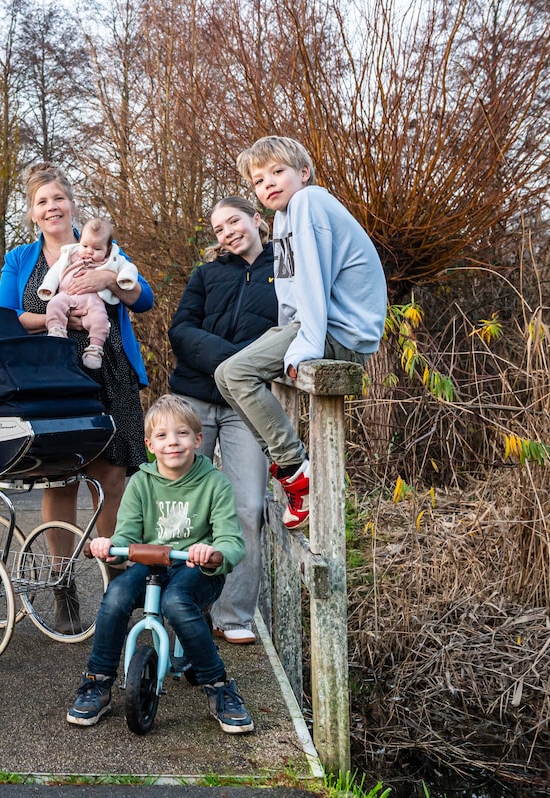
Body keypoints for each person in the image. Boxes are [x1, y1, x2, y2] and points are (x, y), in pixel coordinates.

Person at [0, 162, 154, 635]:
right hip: (49, 376)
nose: (52, 208)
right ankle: (61, 583)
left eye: (58, 198)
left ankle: (116, 591)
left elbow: (142, 299)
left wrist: (107, 280)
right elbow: (6, 318)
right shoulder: (20, 259)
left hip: (108, 374)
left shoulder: (103, 246)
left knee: (109, 477)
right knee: (57, 477)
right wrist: (54, 319)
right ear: (32, 212)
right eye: (42, 201)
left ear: (72, 203)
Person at [215, 136, 386, 530]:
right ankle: (290, 468)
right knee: (227, 374)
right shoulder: (285, 216)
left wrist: (304, 345)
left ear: (303, 173)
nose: (268, 184)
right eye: (259, 180)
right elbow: (290, 288)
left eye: (278, 172)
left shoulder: (309, 203)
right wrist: (285, 333)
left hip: (340, 334)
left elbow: (313, 281)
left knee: (237, 373)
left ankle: (295, 469)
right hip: (316, 326)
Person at [65, 394, 253, 734]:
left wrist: (213, 553)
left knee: (176, 602)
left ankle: (219, 687)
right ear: (149, 444)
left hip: (197, 569)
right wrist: (109, 546)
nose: (173, 443)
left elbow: (231, 540)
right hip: (150, 563)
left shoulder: (215, 484)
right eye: (163, 436)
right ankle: (98, 680)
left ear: (198, 440)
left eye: (182, 434)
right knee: (117, 595)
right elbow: (125, 536)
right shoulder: (141, 484)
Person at [168, 196, 277, 645]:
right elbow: (181, 330)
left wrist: (245, 371)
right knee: (178, 506)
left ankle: (233, 614)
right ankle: (179, 604)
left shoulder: (285, 271)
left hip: (244, 407)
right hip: (191, 399)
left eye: (233, 221)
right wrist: (235, 361)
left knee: (246, 508)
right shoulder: (206, 274)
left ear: (256, 219)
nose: (227, 232)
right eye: (218, 228)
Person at [37, 217, 139, 370]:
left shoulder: (114, 259)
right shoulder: (70, 254)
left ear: (108, 249)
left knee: (100, 321)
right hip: (68, 293)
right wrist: (48, 287)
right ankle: (57, 331)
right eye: (85, 246)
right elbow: (55, 272)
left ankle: (95, 350)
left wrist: (122, 279)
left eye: (97, 249)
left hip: (94, 301)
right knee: (54, 304)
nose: (89, 251)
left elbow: (130, 270)